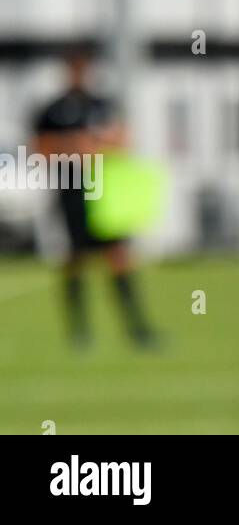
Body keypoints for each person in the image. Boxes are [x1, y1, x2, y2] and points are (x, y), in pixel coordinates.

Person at [32, 49, 158, 349]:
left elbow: (122, 140)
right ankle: (79, 331)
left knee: (118, 255)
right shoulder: (53, 110)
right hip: (72, 190)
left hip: (104, 194)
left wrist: (94, 146)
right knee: (75, 258)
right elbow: (41, 149)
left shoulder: (102, 105)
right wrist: (75, 146)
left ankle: (137, 328)